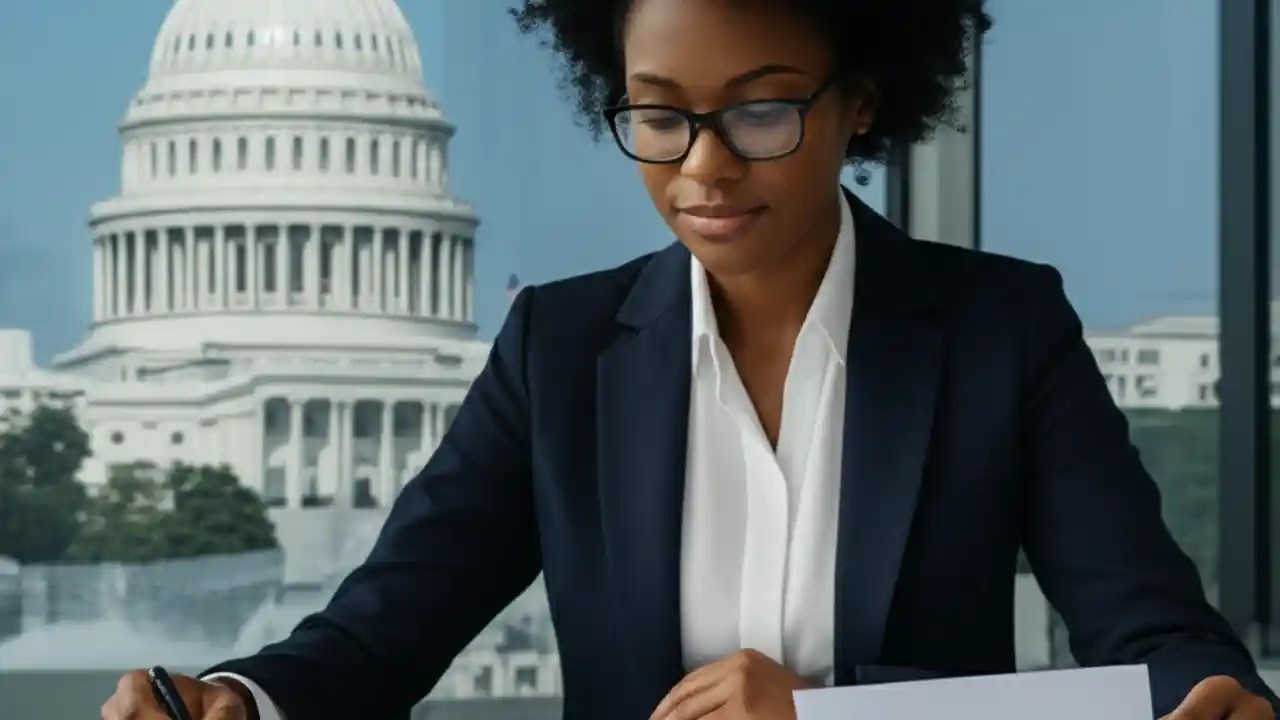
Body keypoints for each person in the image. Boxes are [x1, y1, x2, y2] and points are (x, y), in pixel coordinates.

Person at [101, 0, 1278, 718]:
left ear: (861, 102)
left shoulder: (999, 332)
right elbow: (379, 634)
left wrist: (827, 715)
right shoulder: (557, 349)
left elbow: (1157, 642)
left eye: (759, 112)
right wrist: (240, 699)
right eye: (658, 116)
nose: (701, 169)